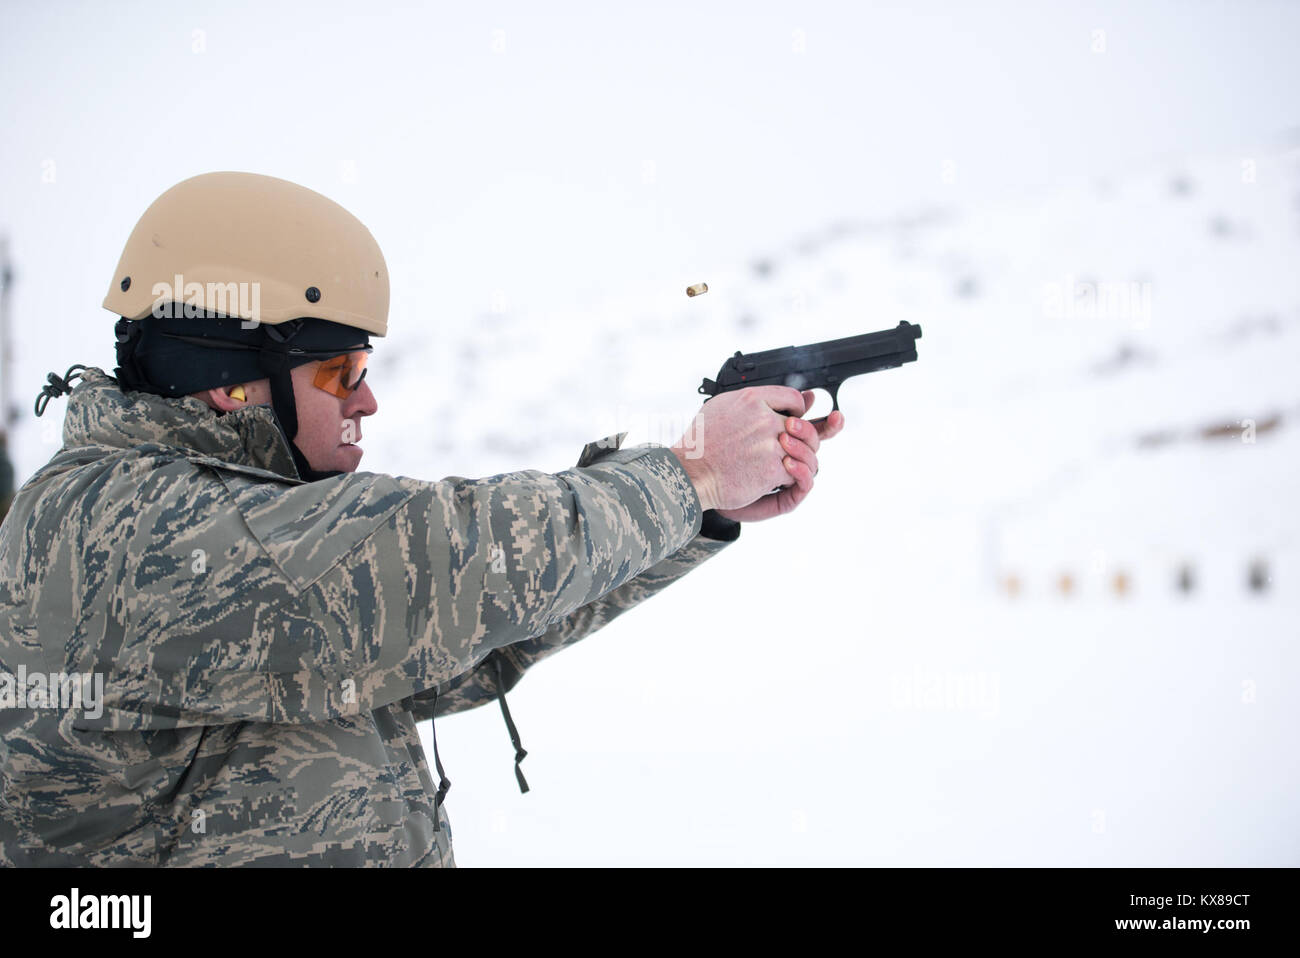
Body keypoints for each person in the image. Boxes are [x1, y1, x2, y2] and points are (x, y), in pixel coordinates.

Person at [0, 172, 843, 866]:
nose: (366, 397)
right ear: (232, 383)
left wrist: (697, 510)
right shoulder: (113, 522)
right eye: (339, 368)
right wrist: (689, 472)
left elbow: (469, 636)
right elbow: (440, 562)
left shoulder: (249, 526)